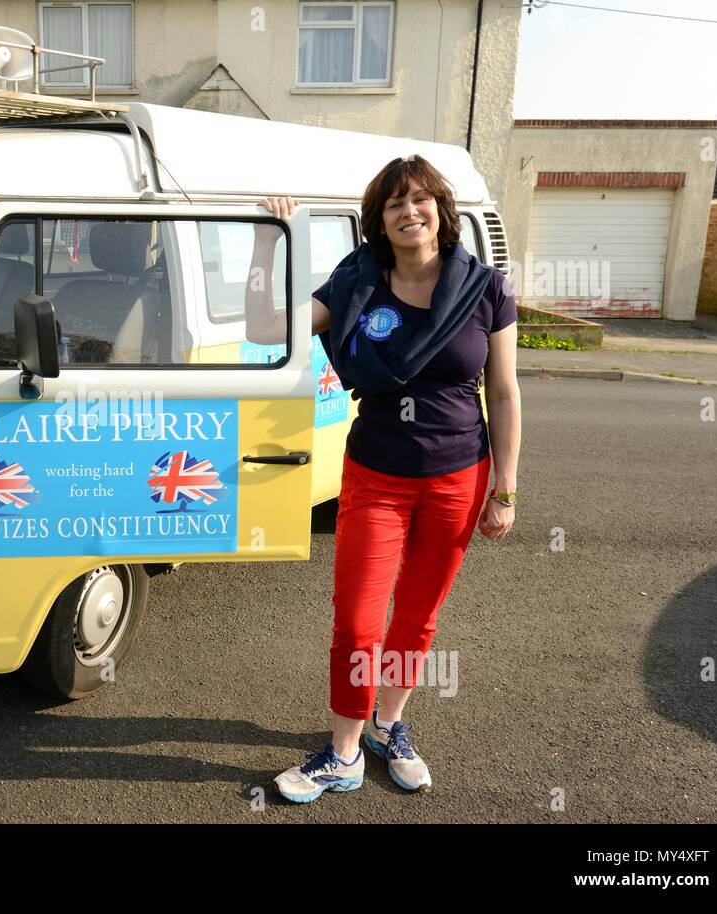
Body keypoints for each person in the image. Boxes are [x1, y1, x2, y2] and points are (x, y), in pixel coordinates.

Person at [244, 154, 521, 802]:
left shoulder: (487, 289)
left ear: (440, 209)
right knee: (358, 621)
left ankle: (388, 724)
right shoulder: (355, 284)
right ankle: (343, 751)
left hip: (458, 476)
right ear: (379, 220)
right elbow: (265, 328)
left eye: (420, 199)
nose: (409, 211)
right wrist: (265, 243)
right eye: (395, 203)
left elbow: (504, 394)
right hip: (376, 476)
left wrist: (504, 488)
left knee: (417, 619)